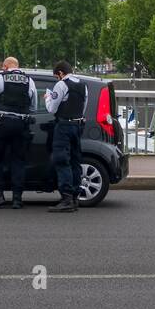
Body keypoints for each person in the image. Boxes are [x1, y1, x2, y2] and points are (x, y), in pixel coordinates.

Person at [0, 57, 38, 209]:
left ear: (5, 66)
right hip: (21, 124)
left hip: (2, 124)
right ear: (17, 66)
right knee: (18, 161)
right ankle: (17, 199)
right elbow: (34, 107)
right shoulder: (29, 81)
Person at [44, 60, 88, 213]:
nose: (57, 79)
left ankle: (66, 198)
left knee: (62, 161)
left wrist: (47, 98)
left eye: (57, 76)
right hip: (77, 125)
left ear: (61, 73)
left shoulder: (61, 85)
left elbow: (51, 109)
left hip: (63, 126)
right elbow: (84, 107)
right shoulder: (83, 85)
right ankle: (74, 197)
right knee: (75, 162)